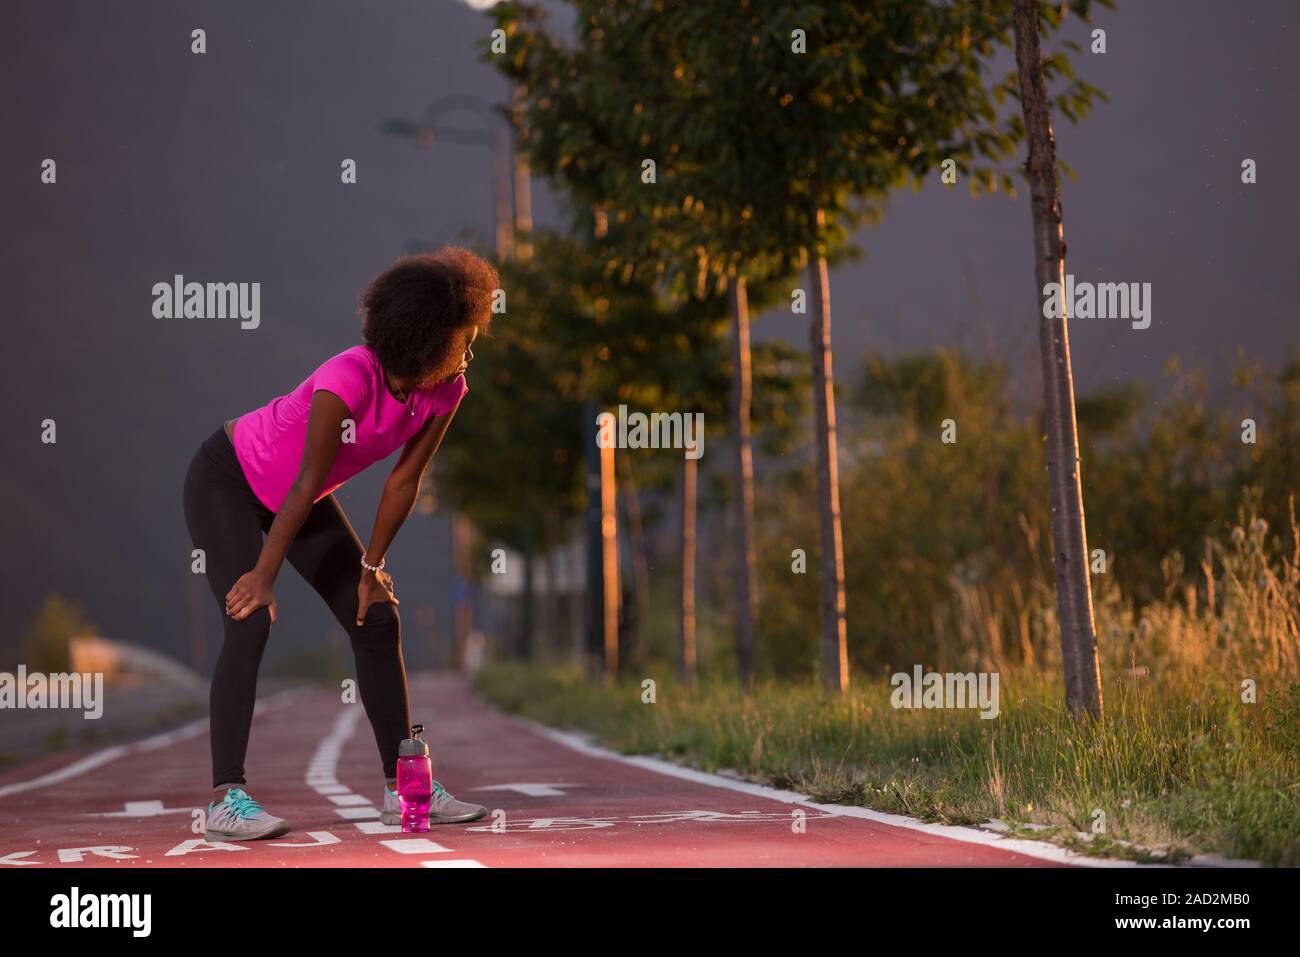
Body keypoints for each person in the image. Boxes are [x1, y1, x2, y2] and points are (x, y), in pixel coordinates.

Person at [182, 247, 496, 840]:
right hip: (228, 479)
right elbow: (303, 483)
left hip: (300, 496)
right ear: (426, 338)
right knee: (249, 621)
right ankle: (227, 798)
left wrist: (371, 568)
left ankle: (403, 788)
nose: (469, 348)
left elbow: (405, 480)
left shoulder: (446, 389)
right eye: (463, 336)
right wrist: (263, 574)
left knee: (377, 617)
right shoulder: (346, 378)